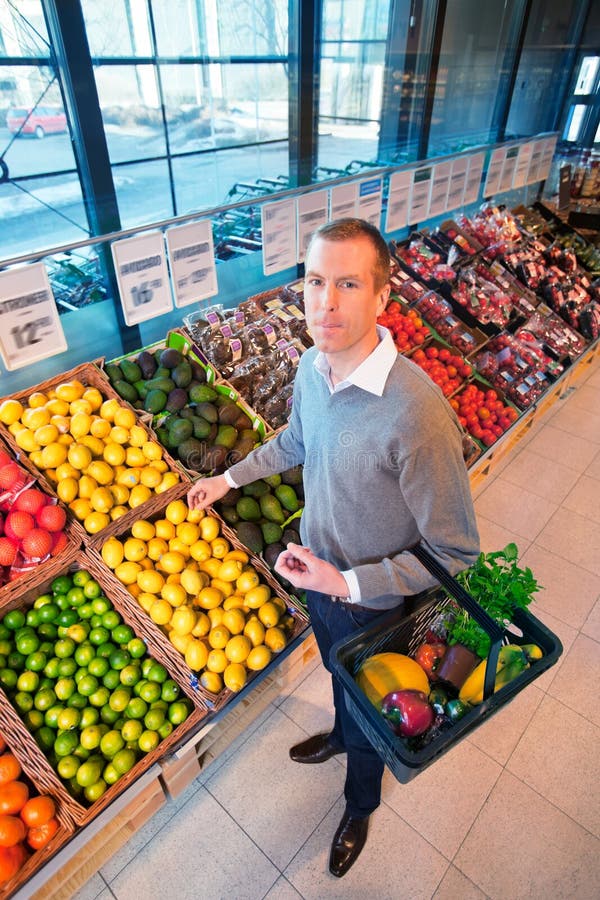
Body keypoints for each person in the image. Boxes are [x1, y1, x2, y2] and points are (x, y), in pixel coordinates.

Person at [187, 217, 479, 877]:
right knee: (340, 681)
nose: (326, 301)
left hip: (379, 606)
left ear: (381, 299)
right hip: (320, 583)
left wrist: (345, 583)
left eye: (348, 283)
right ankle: (344, 733)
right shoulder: (313, 368)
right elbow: (297, 440)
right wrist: (226, 478)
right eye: (316, 281)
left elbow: (457, 553)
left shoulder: (417, 414)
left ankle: (359, 801)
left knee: (378, 710)